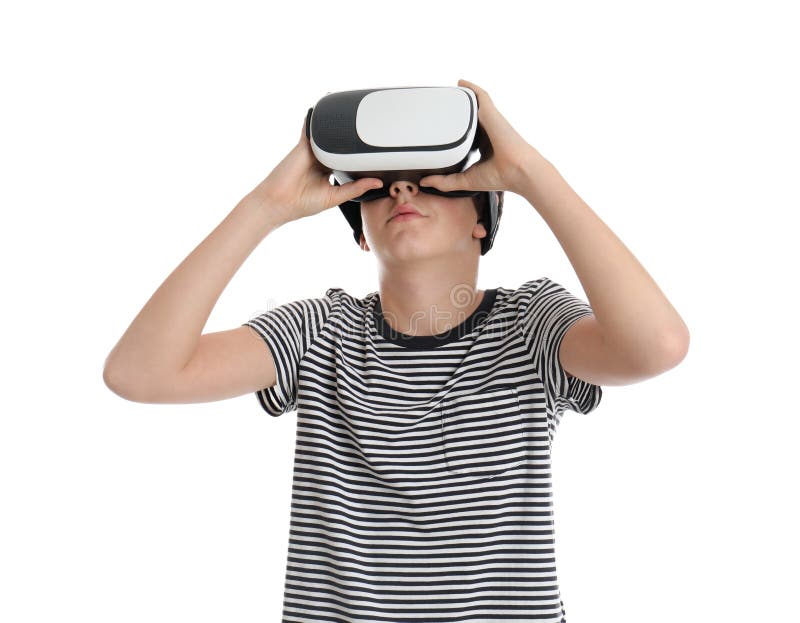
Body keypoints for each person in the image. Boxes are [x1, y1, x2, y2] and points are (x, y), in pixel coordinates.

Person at [103, 79, 690, 622]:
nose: (403, 188)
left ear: (481, 219)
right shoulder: (321, 331)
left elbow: (657, 345)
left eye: (431, 178)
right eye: (379, 184)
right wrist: (267, 206)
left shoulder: (529, 324)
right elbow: (140, 373)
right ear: (361, 231)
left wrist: (533, 174)